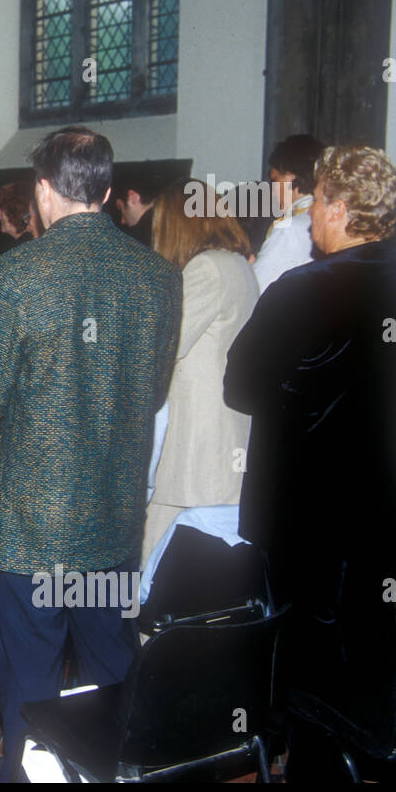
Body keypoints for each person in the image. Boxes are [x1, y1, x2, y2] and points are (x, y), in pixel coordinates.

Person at [0, 127, 181, 782]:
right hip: (112, 513)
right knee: (111, 653)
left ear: (44, 189)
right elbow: (155, 388)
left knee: (29, 663)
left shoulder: (15, 275)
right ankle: (121, 768)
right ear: (107, 191)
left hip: (31, 521)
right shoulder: (159, 277)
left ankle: (33, 775)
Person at [224, 145, 396, 701]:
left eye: (317, 202)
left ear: (339, 208)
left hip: (303, 516)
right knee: (366, 650)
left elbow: (239, 384)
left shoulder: (302, 288)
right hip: (377, 510)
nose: (310, 213)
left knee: (302, 668)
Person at [142, 179, 258, 565]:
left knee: (157, 572)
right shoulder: (236, 263)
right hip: (224, 441)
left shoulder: (206, 268)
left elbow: (162, 346)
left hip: (197, 449)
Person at [251, 133, 325, 292]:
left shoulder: (288, 229)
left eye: (274, 180)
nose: (272, 192)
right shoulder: (326, 221)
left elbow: (255, 291)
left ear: (289, 177)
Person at [110, 168, 159, 246]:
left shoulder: (139, 238)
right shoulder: (168, 223)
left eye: (121, 209)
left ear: (133, 198)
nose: (122, 221)